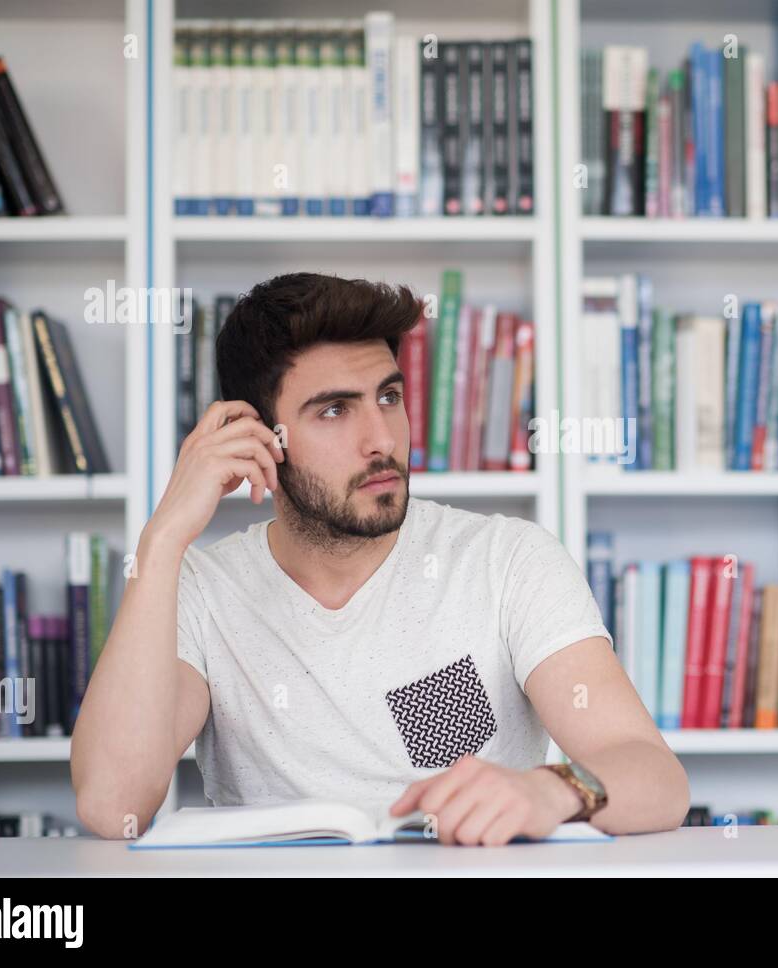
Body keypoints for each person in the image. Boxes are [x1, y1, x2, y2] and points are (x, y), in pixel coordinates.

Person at [71, 272, 688, 846]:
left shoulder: (509, 561)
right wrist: (161, 543)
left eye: (389, 397)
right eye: (335, 410)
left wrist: (550, 791)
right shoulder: (201, 592)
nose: (383, 440)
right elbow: (112, 803)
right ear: (259, 438)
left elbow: (656, 779)